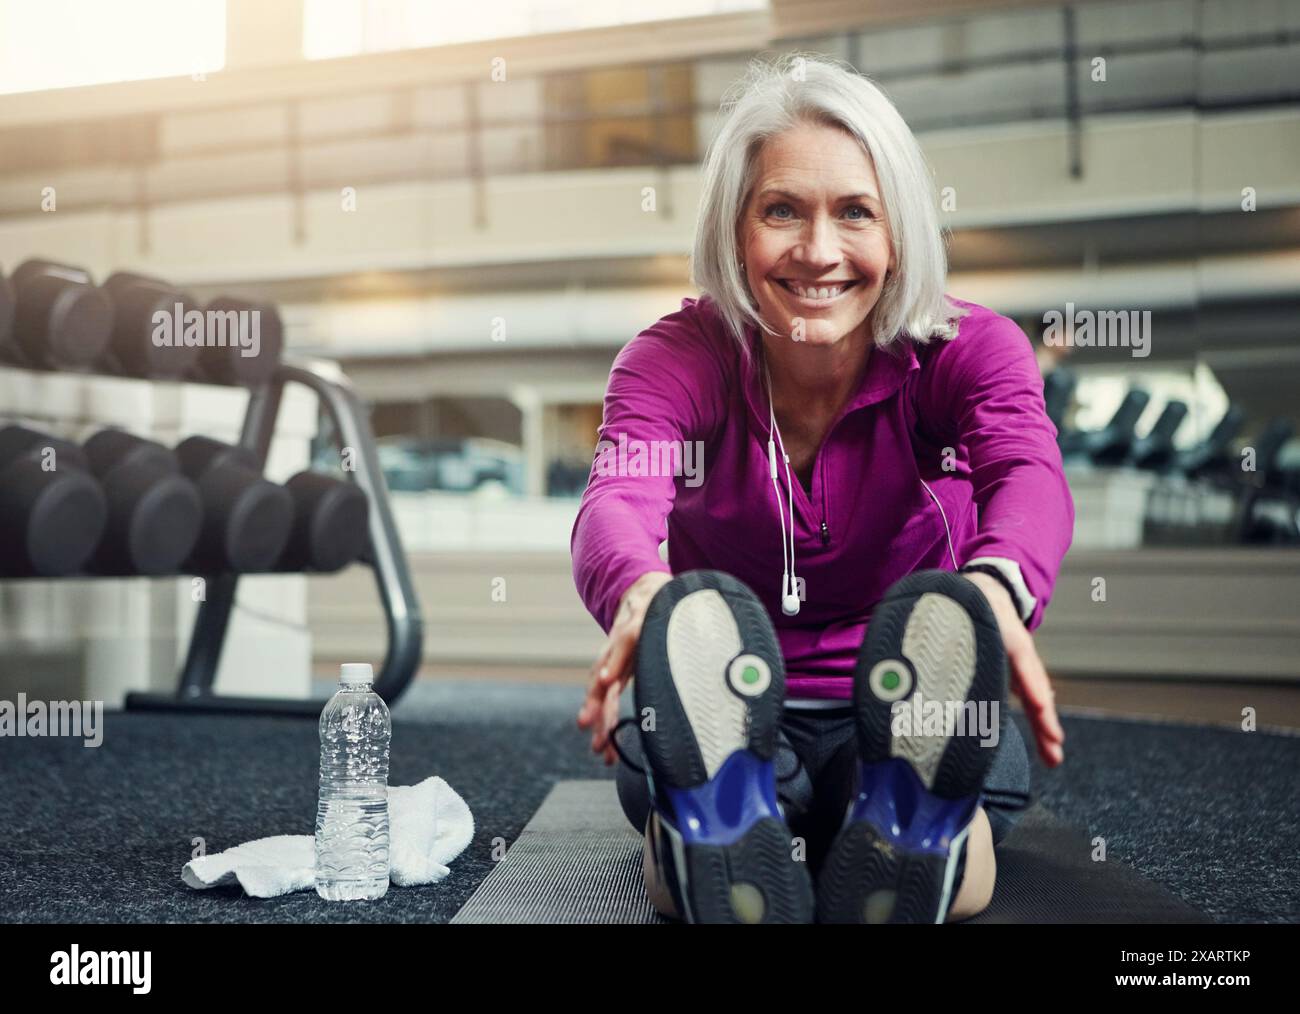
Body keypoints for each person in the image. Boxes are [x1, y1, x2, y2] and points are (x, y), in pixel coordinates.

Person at [572, 53, 1073, 923]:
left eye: (855, 213)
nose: (818, 251)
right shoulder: (673, 359)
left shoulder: (967, 349)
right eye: (780, 211)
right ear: (735, 231)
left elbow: (1026, 469)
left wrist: (996, 588)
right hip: (725, 696)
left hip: (904, 700)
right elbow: (619, 492)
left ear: (901, 232)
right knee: (659, 754)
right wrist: (642, 593)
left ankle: (906, 826)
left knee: (972, 764)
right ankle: (720, 830)